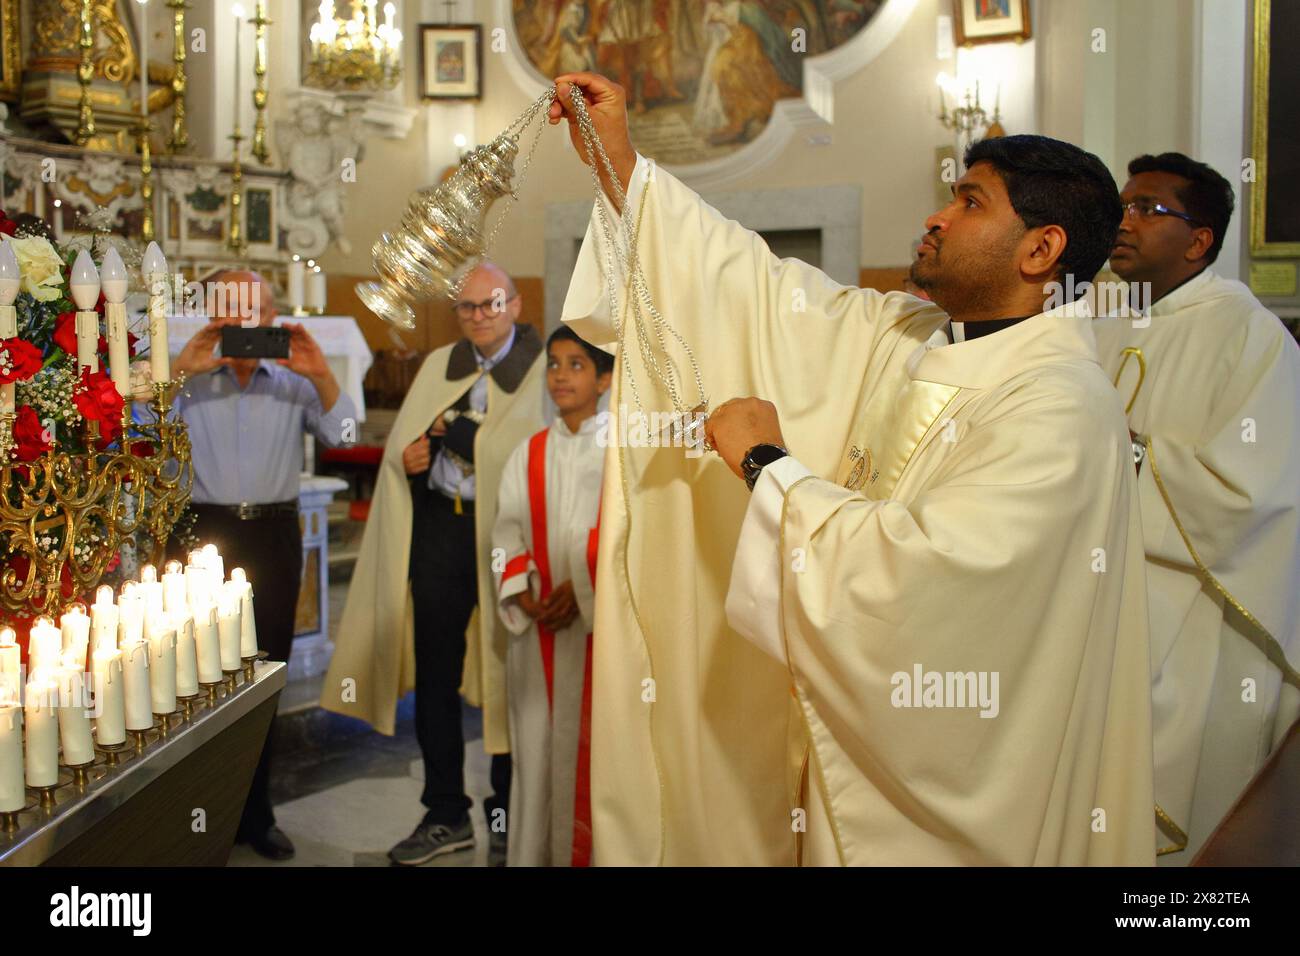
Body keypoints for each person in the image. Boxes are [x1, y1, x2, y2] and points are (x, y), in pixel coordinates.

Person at [550, 72, 1154, 865]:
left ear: (1043, 250)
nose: (936, 217)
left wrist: (768, 465)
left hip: (951, 810)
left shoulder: (1059, 408)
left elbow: (925, 587)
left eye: (972, 203)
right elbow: (753, 287)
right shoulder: (911, 335)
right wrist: (621, 164)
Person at [1094, 152, 1300, 863]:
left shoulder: (1250, 336)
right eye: (1123, 205)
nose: (1124, 221)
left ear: (1200, 239)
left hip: (1204, 622)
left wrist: (1132, 454)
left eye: (1147, 209)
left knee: (1193, 838)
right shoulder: (1103, 324)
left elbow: (1255, 497)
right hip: (1107, 604)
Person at [322, 262, 546, 866]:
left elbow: (536, 451)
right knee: (437, 674)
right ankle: (446, 813)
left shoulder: (543, 373)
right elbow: (402, 446)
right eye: (466, 307)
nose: (477, 316)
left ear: (515, 305)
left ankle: (507, 813)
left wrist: (469, 439)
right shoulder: (439, 363)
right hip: (441, 527)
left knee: (509, 676)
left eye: (489, 304)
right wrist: (413, 456)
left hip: (507, 537)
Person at [170, 269, 356, 861]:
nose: (245, 321)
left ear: (274, 318)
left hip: (273, 532)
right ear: (213, 314)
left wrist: (322, 374)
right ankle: (196, 815)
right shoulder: (191, 378)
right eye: (232, 309)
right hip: (203, 531)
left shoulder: (294, 381)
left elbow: (346, 434)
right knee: (196, 678)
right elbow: (133, 431)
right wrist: (178, 370)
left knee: (264, 673)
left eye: (256, 310)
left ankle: (255, 812)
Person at [492, 326, 611, 867]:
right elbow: (506, 532)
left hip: (597, 637)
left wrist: (582, 590)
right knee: (536, 757)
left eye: (577, 365)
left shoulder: (622, 453)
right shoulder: (529, 452)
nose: (561, 375)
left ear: (606, 378)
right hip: (539, 630)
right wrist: (527, 590)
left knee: (596, 760)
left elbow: (624, 535)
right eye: (555, 364)